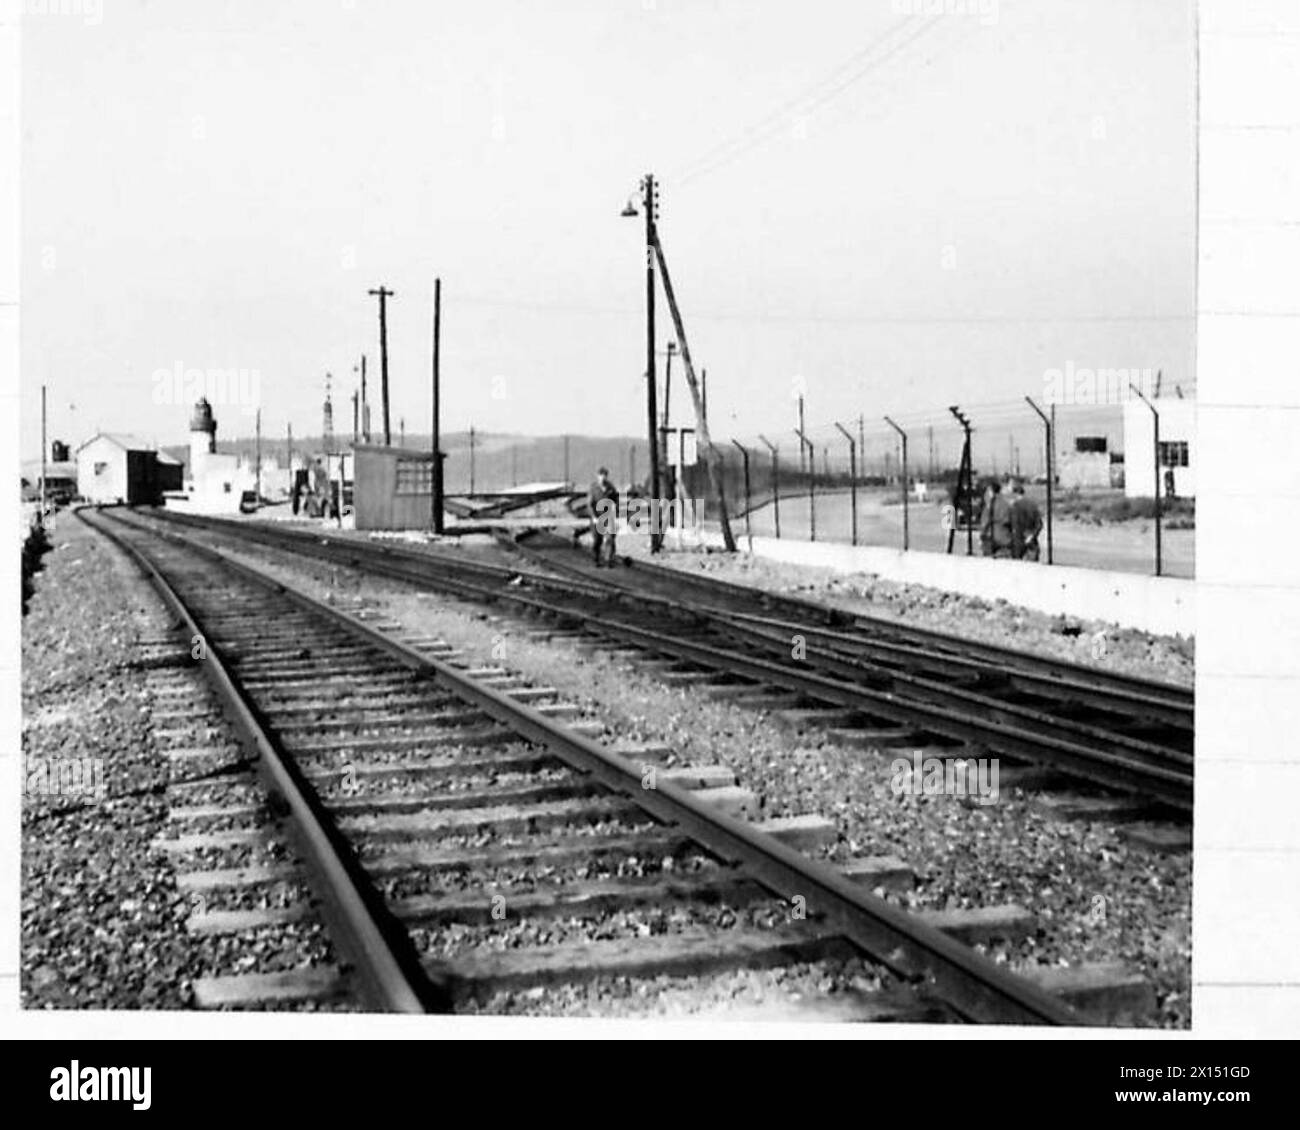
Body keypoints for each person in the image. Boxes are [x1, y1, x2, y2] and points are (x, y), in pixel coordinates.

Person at [587, 466, 620, 567]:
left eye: (605, 475)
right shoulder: (593, 488)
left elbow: (616, 499)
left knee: (610, 538)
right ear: (598, 476)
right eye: (601, 475)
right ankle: (595, 558)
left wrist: (616, 512)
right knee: (598, 539)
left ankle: (608, 560)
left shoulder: (610, 487)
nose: (603, 478)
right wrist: (593, 517)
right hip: (597, 517)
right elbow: (589, 504)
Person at [979, 477, 1014, 558]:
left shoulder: (990, 504)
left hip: (992, 539)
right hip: (1005, 538)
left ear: (991, 491)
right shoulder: (1007, 504)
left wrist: (982, 535)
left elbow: (984, 522)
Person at [1009, 478, 1043, 561]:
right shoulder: (1032, 504)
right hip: (1031, 541)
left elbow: (1011, 524)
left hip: (1017, 543)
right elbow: (1039, 524)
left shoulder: (1014, 507)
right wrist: (1032, 535)